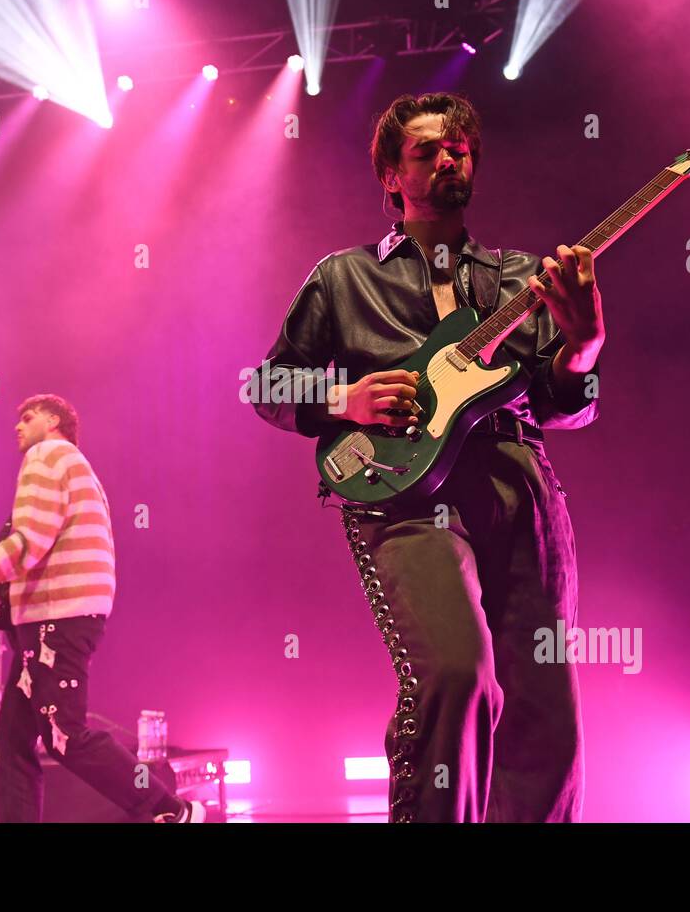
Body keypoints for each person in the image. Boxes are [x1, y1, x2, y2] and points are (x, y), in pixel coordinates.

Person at [252, 92, 603, 822]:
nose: (449, 158)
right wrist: (345, 399)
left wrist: (583, 347)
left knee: (547, 715)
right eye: (427, 151)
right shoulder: (343, 278)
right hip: (406, 496)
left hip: (518, 487)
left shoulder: (516, 278)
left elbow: (563, 406)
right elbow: (263, 384)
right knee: (456, 674)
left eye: (460, 149)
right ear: (390, 175)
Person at [0, 394, 204, 822]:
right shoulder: (78, 468)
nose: (17, 427)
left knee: (66, 736)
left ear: (54, 420)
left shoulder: (47, 456)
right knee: (14, 740)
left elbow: (28, 543)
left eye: (27, 417)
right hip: (54, 616)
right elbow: (40, 545)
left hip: (54, 617)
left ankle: (172, 810)